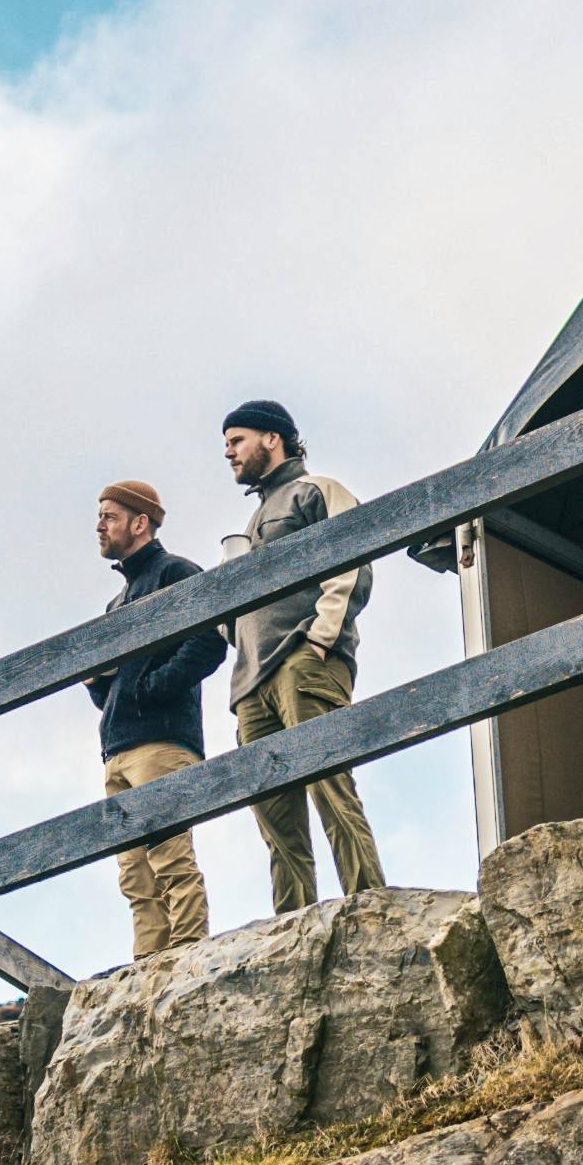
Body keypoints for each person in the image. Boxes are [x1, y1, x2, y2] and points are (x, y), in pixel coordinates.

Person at [217, 399, 385, 913]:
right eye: (226, 445)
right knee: (275, 820)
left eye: (236, 440)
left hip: (302, 661)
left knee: (331, 786)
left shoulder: (317, 491)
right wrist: (234, 633)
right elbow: (233, 612)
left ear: (273, 438)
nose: (228, 453)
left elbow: (352, 561)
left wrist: (319, 640)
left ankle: (371, 905)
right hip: (250, 684)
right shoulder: (250, 520)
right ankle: (293, 926)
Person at [86, 479, 223, 958]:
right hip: (117, 747)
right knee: (133, 873)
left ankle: (187, 955)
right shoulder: (116, 603)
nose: (98, 525)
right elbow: (109, 690)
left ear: (139, 522)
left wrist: (148, 690)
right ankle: (148, 967)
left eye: (108, 516)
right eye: (99, 516)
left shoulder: (175, 573)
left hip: (163, 741)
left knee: (169, 857)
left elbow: (209, 643)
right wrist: (97, 683)